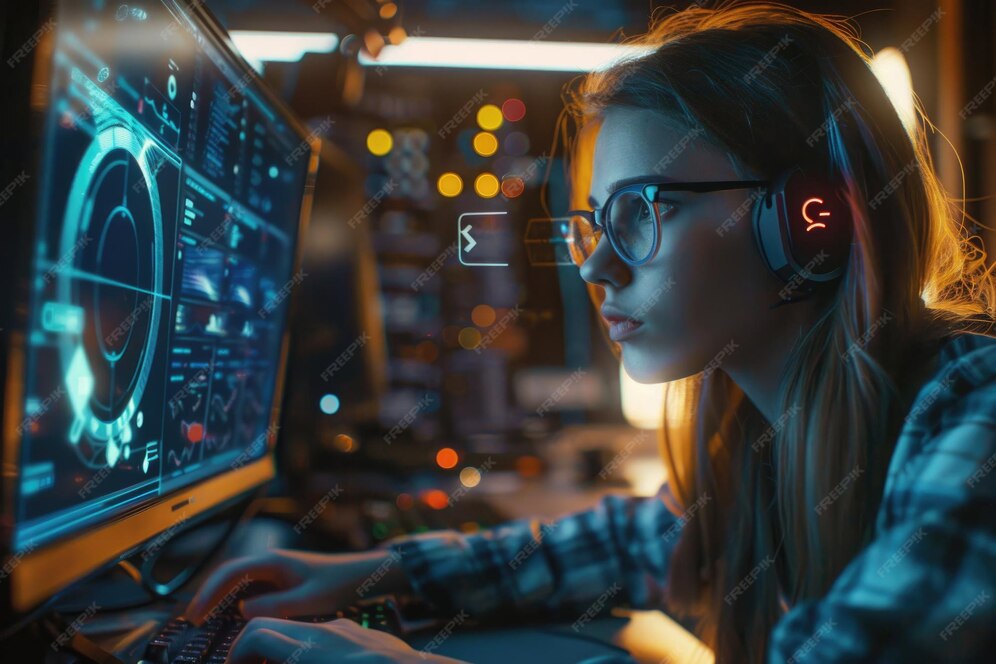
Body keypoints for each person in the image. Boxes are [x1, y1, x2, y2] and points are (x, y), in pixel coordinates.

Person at [185, 3, 996, 662]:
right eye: (590, 225)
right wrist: (371, 570)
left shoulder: (973, 413)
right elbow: (629, 543)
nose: (597, 267)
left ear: (805, 222)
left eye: (644, 212)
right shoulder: (756, 444)